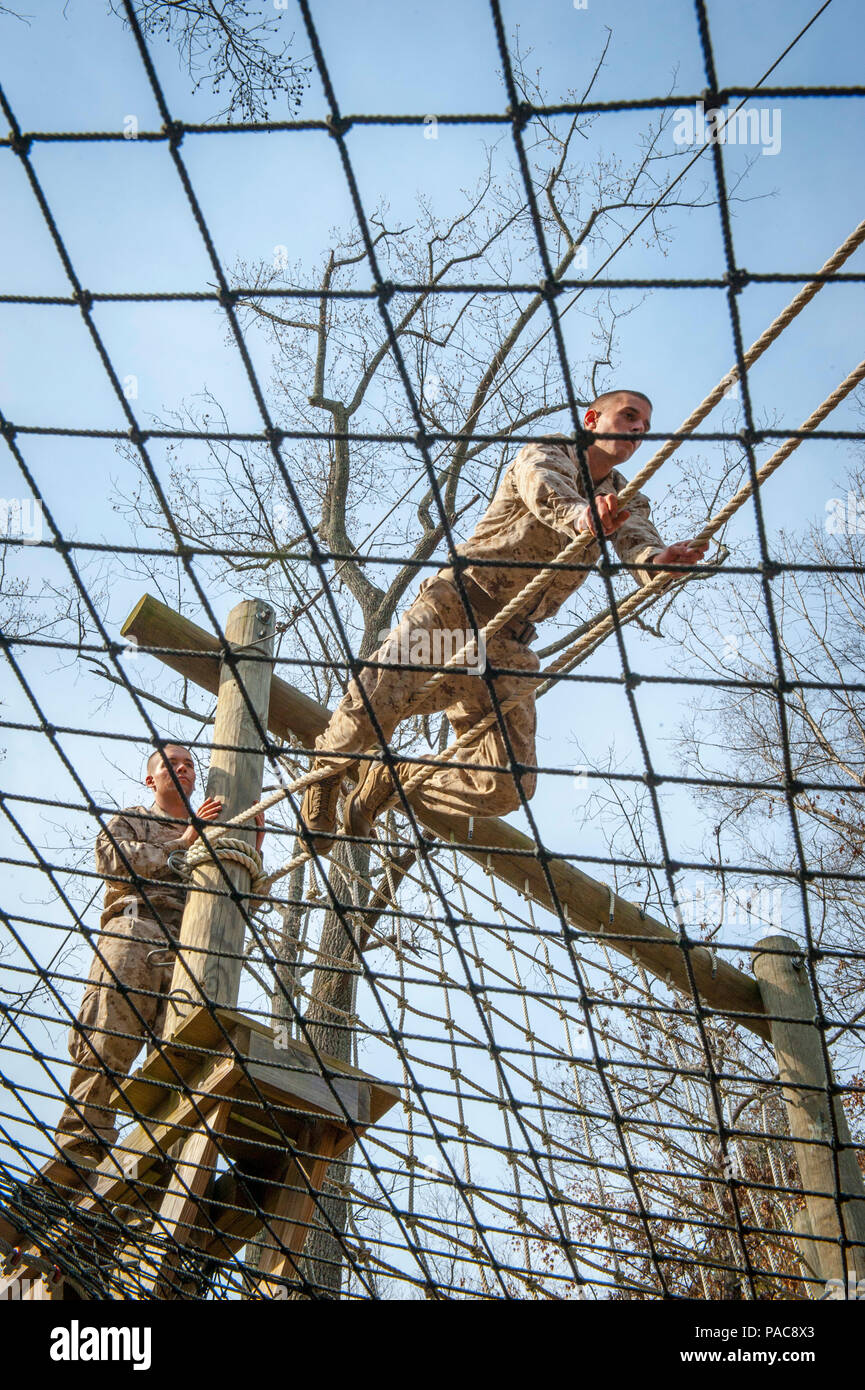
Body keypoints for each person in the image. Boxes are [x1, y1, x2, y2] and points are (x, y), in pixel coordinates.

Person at [301, 390, 708, 850]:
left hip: (506, 644)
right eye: (629, 417)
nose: (637, 431)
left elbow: (638, 542)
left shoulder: (625, 496)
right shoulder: (546, 452)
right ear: (593, 419)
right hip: (458, 607)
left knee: (506, 782)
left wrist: (658, 561)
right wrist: (583, 517)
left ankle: (389, 782)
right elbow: (544, 490)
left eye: (645, 427)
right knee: (379, 702)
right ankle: (325, 775)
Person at [54, 742, 260, 1168]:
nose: (183, 769)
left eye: (189, 765)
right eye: (172, 764)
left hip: (189, 946)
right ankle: (82, 1146)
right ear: (152, 778)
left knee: (179, 1054)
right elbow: (111, 858)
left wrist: (253, 846)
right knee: (110, 1032)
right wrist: (182, 842)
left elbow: (243, 901)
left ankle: (162, 1163)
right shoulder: (136, 819)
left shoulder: (215, 831)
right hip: (137, 927)